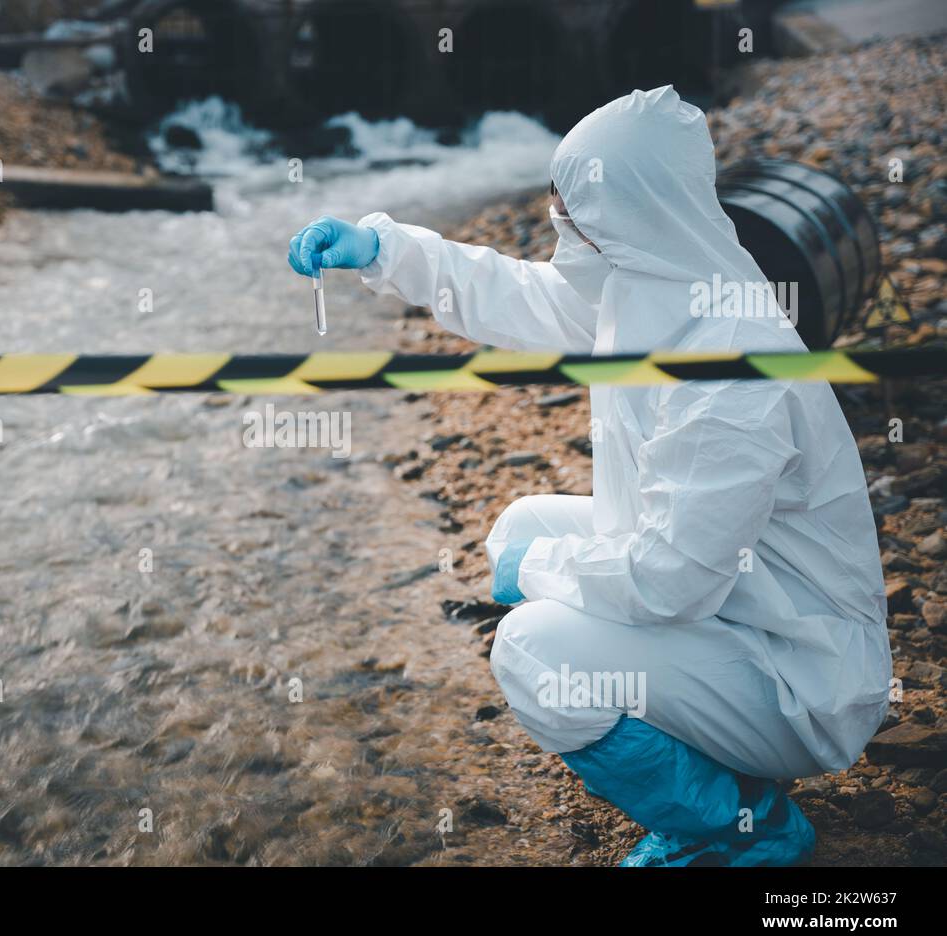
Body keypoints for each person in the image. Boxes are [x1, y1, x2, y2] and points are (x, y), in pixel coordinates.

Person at [287, 86, 890, 866]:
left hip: (798, 676)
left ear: (626, 216)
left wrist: (538, 574)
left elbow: (668, 580)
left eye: (569, 213)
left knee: (532, 649)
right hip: (743, 602)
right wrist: (385, 249)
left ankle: (737, 824)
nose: (559, 227)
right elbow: (525, 296)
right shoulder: (661, 287)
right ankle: (708, 747)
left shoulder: (729, 370)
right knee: (522, 524)